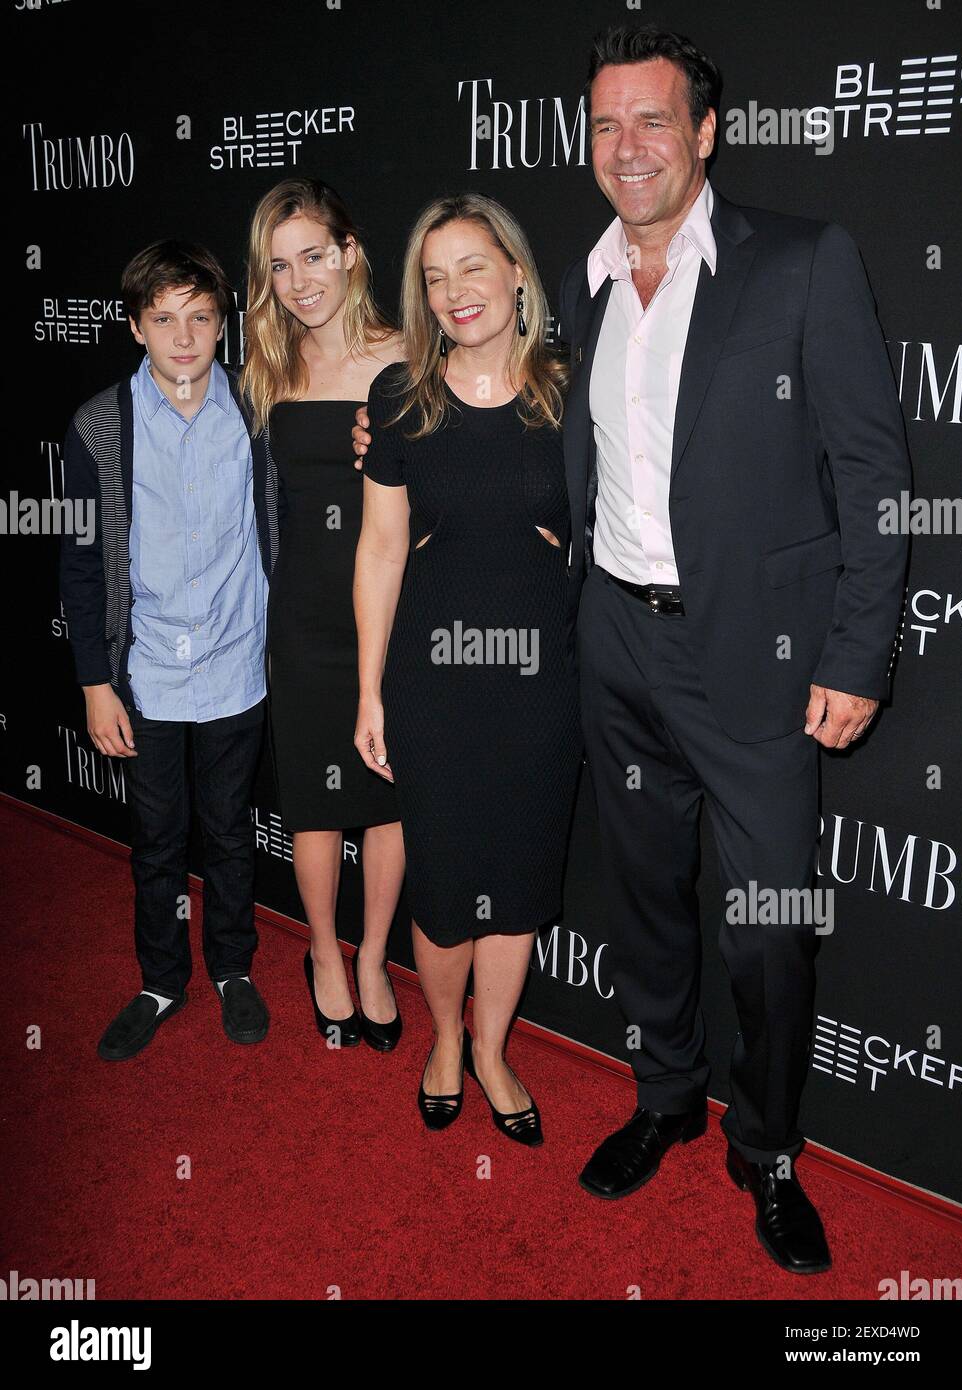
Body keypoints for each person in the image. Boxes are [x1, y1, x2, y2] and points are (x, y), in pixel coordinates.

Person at [556, 25, 911, 1273]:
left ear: (705, 132)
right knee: (646, 903)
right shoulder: (582, 277)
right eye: (606, 125)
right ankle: (661, 1097)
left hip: (759, 665)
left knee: (767, 929)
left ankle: (765, 1153)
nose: (628, 147)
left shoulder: (802, 264)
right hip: (619, 644)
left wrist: (859, 653)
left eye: (654, 120)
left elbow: (873, 472)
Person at [353, 193, 582, 1143]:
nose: (455, 293)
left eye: (473, 268)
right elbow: (379, 548)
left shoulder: (574, 389)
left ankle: (493, 1049)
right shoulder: (401, 398)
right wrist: (368, 690)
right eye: (435, 277)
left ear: (517, 272)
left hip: (542, 683)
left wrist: (559, 537)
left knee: (518, 880)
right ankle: (444, 1040)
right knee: (445, 886)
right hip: (432, 682)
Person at [60, 240, 279, 1059]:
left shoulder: (260, 406)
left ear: (224, 323)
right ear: (134, 327)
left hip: (236, 664)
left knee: (227, 832)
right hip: (146, 675)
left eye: (200, 317)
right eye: (163, 319)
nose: (183, 337)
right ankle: (160, 979)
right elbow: (80, 560)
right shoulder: (100, 426)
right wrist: (93, 681)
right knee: (156, 842)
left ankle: (232, 968)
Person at [241, 179, 407, 1051]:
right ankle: (326, 956)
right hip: (301, 619)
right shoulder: (266, 369)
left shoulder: (408, 356)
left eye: (313, 255)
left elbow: (447, 497)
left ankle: (376, 956)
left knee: (386, 799)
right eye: (279, 266)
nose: (299, 280)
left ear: (349, 252)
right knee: (313, 800)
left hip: (389, 614)